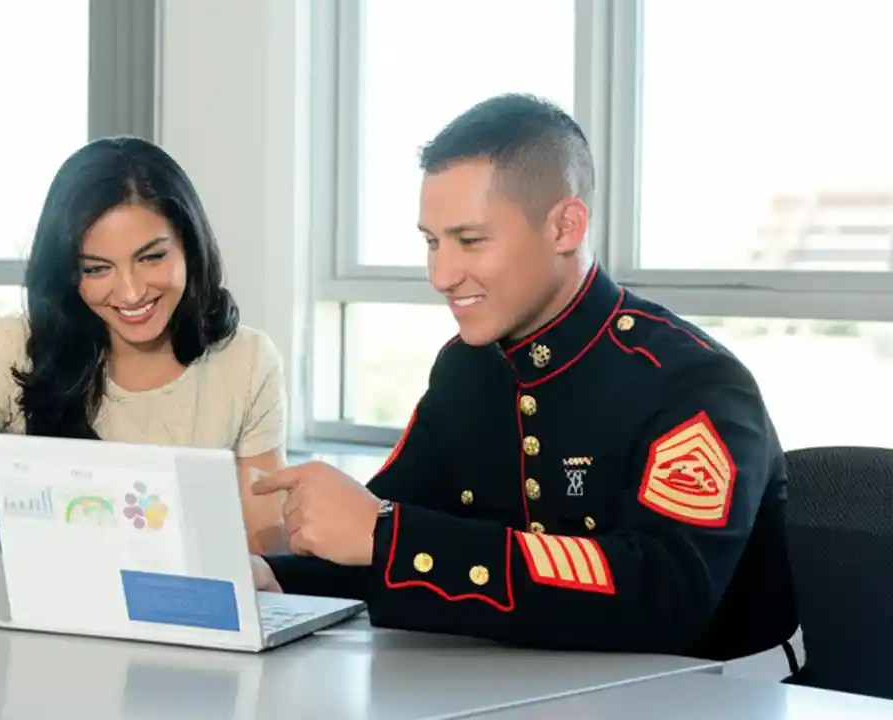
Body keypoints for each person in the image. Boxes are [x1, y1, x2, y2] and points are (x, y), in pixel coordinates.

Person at [249, 94, 797, 660]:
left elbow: (667, 596)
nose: (440, 274)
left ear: (565, 226)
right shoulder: (467, 368)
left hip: (699, 696)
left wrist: (386, 535)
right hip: (510, 684)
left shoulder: (692, 381)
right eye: (431, 241)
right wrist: (275, 576)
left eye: (470, 240)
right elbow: (383, 543)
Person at [0, 136, 288, 584]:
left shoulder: (246, 363)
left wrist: (253, 570)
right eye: (96, 268)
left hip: (183, 637)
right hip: (33, 640)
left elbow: (266, 553)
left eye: (151, 258)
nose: (131, 292)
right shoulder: (16, 347)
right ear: (68, 273)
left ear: (190, 247)